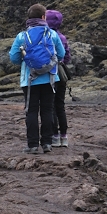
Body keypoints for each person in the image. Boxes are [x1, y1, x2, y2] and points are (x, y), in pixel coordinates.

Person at [9, 4, 65, 154]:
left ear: (29, 19)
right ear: (43, 17)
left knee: (31, 111)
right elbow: (61, 54)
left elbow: (14, 58)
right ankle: (47, 143)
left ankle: (32, 145)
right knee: (47, 110)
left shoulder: (22, 36)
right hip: (50, 79)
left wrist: (26, 60)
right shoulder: (52, 34)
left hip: (29, 80)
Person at [46, 9, 71, 148]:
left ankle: (54, 136)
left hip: (50, 74)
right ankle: (64, 137)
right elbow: (67, 56)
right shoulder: (62, 37)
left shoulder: (47, 36)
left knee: (50, 106)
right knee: (60, 106)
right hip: (62, 74)